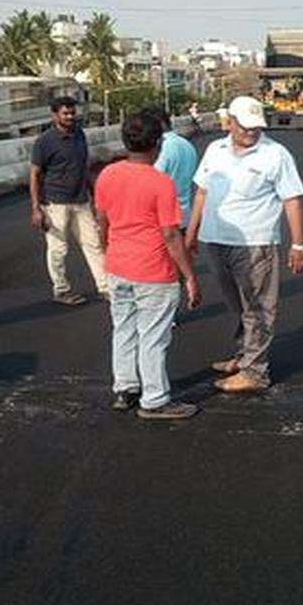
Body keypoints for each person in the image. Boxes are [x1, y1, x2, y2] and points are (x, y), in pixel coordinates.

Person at [185, 95, 303, 393]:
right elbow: (201, 193)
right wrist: (190, 234)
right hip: (216, 239)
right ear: (231, 122)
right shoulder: (215, 150)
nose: (251, 132)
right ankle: (243, 355)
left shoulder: (275, 154)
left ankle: (255, 372)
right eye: (245, 126)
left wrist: (299, 245)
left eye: (256, 127)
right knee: (236, 304)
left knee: (258, 306)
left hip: (255, 242)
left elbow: (291, 199)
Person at [94, 112, 202, 420]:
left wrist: (107, 249)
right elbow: (170, 234)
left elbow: (102, 218)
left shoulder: (108, 175)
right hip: (153, 270)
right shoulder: (160, 183)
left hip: (118, 265)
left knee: (124, 328)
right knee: (153, 336)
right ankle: (155, 399)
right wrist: (190, 276)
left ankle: (126, 388)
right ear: (157, 142)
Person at [29, 96, 108, 305]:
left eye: (72, 112)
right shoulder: (44, 142)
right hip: (55, 203)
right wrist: (36, 208)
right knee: (58, 249)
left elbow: (85, 167)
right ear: (55, 115)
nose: (70, 116)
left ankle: (105, 287)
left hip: (80, 200)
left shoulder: (79, 135)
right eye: (65, 113)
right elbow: (34, 174)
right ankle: (61, 289)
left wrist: (94, 196)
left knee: (93, 244)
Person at [143, 106, 200, 230]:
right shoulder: (187, 145)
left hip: (165, 218)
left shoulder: (162, 148)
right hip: (185, 214)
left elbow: (152, 179)